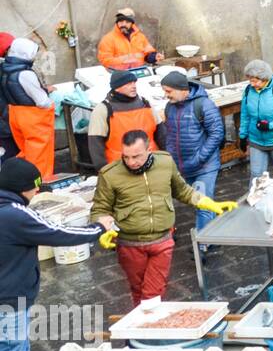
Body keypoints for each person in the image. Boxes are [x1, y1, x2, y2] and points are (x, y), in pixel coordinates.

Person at [0, 158, 112, 351]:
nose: (36, 195)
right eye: (35, 190)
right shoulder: (13, 215)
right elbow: (59, 233)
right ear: (27, 189)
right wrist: (97, 229)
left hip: (10, 299)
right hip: (7, 303)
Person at [91, 131, 235, 305]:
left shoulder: (165, 162)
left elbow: (183, 191)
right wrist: (101, 230)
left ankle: (150, 325)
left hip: (162, 240)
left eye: (136, 156)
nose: (131, 162)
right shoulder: (110, 174)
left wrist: (207, 203)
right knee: (138, 290)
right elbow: (100, 208)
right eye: (126, 157)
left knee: (152, 293)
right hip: (129, 244)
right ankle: (142, 327)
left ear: (149, 149)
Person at [159, 71, 224, 239]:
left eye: (168, 91)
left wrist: (200, 158)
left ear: (182, 90)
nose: (166, 95)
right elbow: (171, 136)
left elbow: (216, 134)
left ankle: (202, 245)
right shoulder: (170, 107)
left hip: (204, 167)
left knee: (203, 205)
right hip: (182, 166)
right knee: (200, 204)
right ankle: (216, 234)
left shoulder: (204, 105)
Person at [0, 38, 56, 178]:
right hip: (33, 118)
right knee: (39, 154)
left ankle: (23, 182)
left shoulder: (4, 70)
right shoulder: (26, 74)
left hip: (15, 114)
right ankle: (40, 185)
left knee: (26, 151)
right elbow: (42, 101)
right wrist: (50, 102)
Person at [87, 70, 165, 169]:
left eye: (134, 82)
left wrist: (166, 160)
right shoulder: (103, 110)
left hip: (152, 163)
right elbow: (96, 146)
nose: (134, 86)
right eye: (128, 83)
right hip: (120, 168)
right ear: (117, 87)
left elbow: (162, 135)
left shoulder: (146, 104)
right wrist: (104, 171)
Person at [97, 7, 161, 71]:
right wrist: (124, 61)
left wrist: (154, 57)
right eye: (121, 21)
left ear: (131, 24)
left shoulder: (140, 37)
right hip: (118, 75)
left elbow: (147, 54)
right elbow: (105, 60)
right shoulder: (108, 39)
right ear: (117, 23)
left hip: (137, 73)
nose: (123, 24)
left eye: (127, 22)